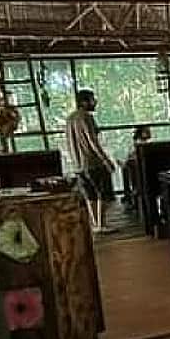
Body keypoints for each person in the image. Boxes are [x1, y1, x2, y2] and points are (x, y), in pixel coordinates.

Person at [65, 89, 115, 233]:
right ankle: (102, 224)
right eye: (93, 99)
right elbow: (92, 141)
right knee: (102, 193)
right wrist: (106, 160)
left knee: (89, 195)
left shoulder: (70, 119)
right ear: (84, 102)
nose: (95, 102)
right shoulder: (86, 117)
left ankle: (95, 225)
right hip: (92, 162)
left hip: (78, 164)